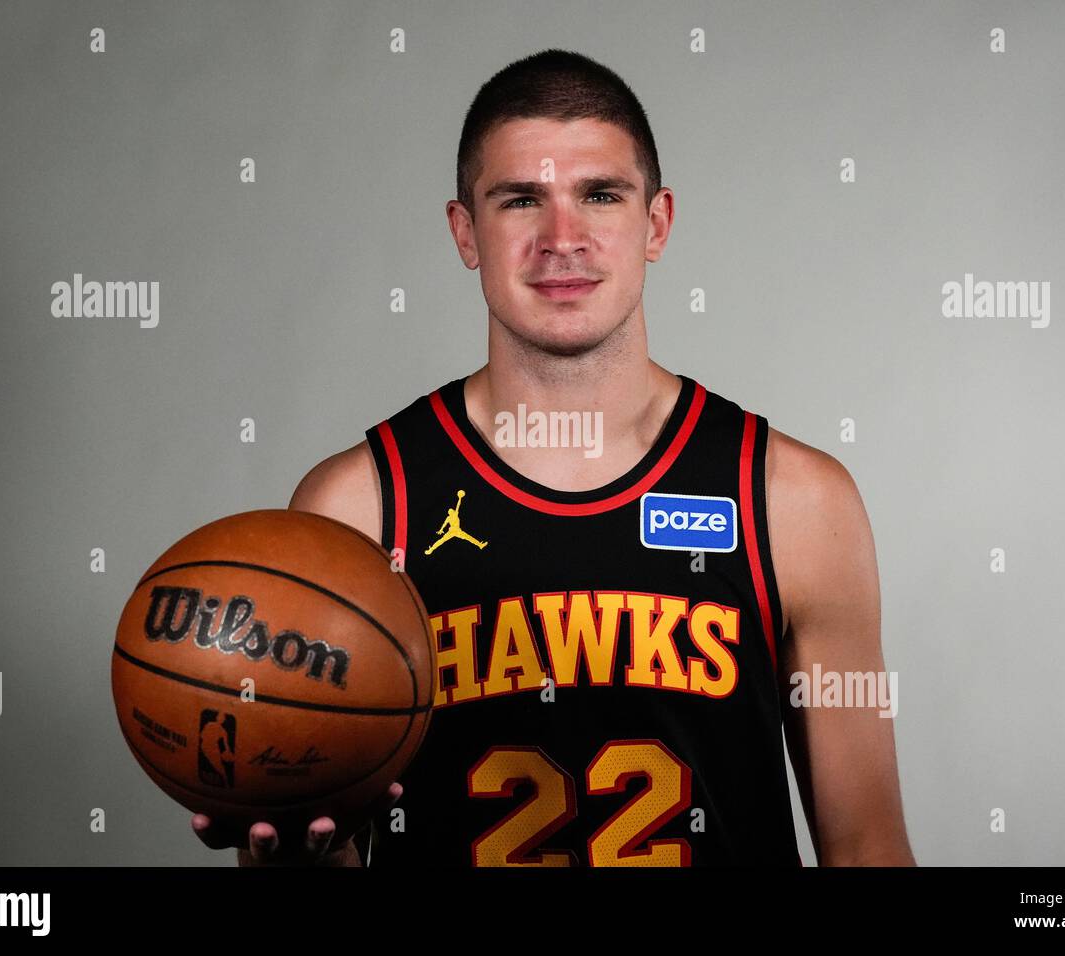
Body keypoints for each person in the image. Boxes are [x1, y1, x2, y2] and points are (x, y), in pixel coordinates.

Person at [193, 48, 915, 867]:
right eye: (521, 200)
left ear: (657, 223)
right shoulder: (358, 508)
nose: (561, 239)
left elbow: (867, 848)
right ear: (466, 232)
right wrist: (289, 855)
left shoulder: (794, 502)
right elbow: (326, 841)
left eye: (600, 195)